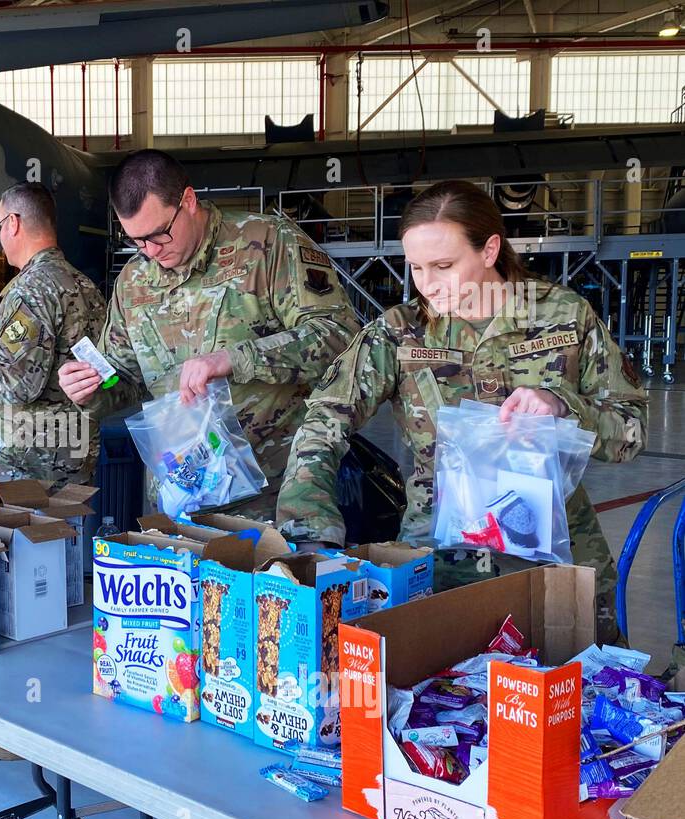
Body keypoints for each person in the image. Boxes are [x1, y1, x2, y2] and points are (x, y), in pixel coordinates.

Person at [277, 179, 647, 652]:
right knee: (442, 700)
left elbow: (631, 432)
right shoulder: (400, 334)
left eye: (444, 266)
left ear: (490, 249)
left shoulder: (564, 318)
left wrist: (563, 409)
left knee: (582, 691)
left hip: (556, 555)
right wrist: (310, 527)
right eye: (415, 267)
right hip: (439, 559)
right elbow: (325, 419)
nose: (427, 284)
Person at [57, 149, 361, 520]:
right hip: (180, 502)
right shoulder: (133, 283)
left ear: (187, 200)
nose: (151, 251)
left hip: (275, 496)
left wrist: (235, 359)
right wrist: (89, 389)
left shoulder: (266, 245)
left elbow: (340, 336)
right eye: (136, 241)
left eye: (159, 234)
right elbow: (123, 383)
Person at [0, 182, 106, 490]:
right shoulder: (86, 286)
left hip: (30, 468)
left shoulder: (30, 292)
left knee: (30, 539)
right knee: (69, 535)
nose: (1, 240)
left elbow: (16, 384)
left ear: (13, 223)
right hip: (78, 455)